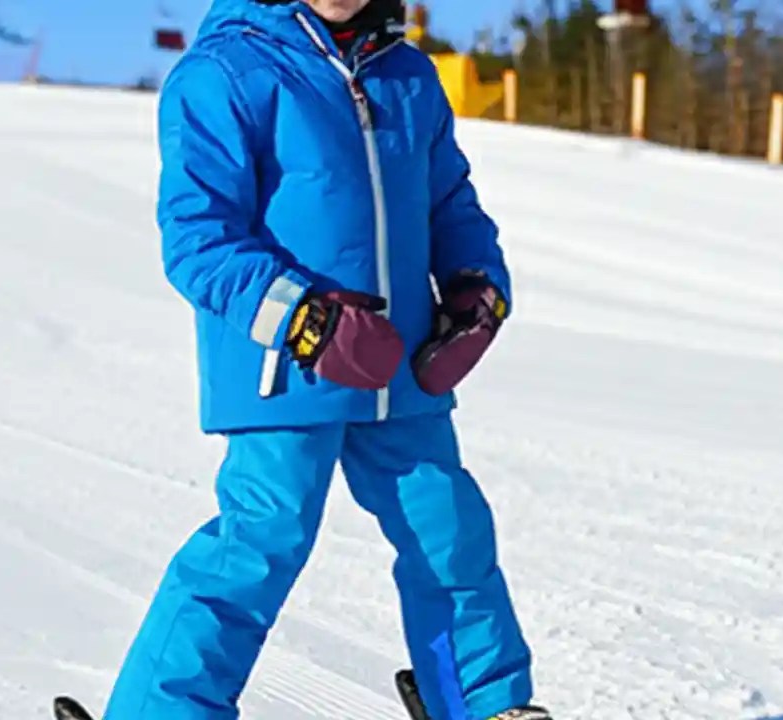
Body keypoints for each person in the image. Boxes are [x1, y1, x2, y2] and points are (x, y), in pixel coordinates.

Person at [104, 1, 550, 718]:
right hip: (284, 369)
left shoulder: (407, 76)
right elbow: (197, 239)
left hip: (400, 367)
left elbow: (449, 203)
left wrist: (475, 286)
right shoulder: (225, 72)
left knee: (451, 537)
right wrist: (305, 321)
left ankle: (481, 706)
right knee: (259, 544)